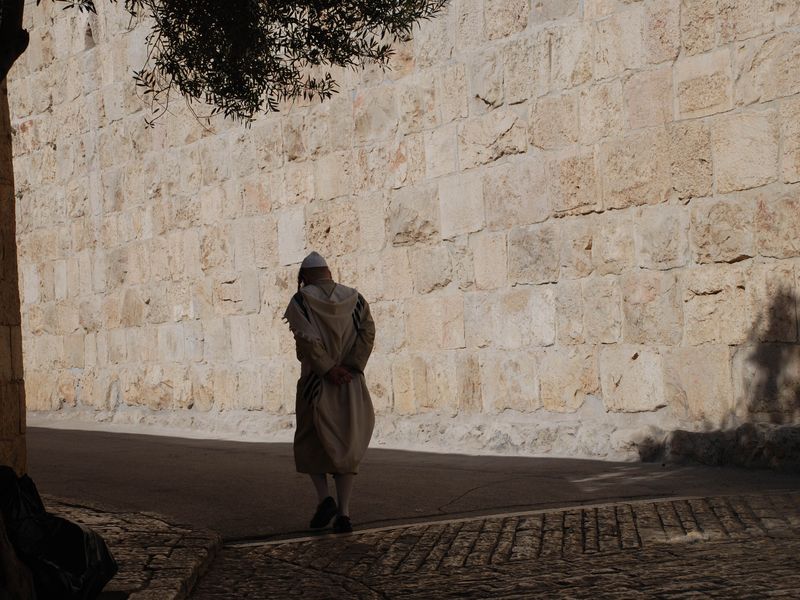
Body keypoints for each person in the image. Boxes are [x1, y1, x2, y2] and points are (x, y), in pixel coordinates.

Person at [283, 251, 376, 534]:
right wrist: (350, 366)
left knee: (311, 442)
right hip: (350, 382)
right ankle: (344, 514)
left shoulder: (301, 301)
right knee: (346, 444)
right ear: (328, 272)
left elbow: (307, 341)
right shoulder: (356, 299)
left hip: (317, 383)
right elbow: (368, 332)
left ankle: (325, 499)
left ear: (306, 276)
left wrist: (327, 369)